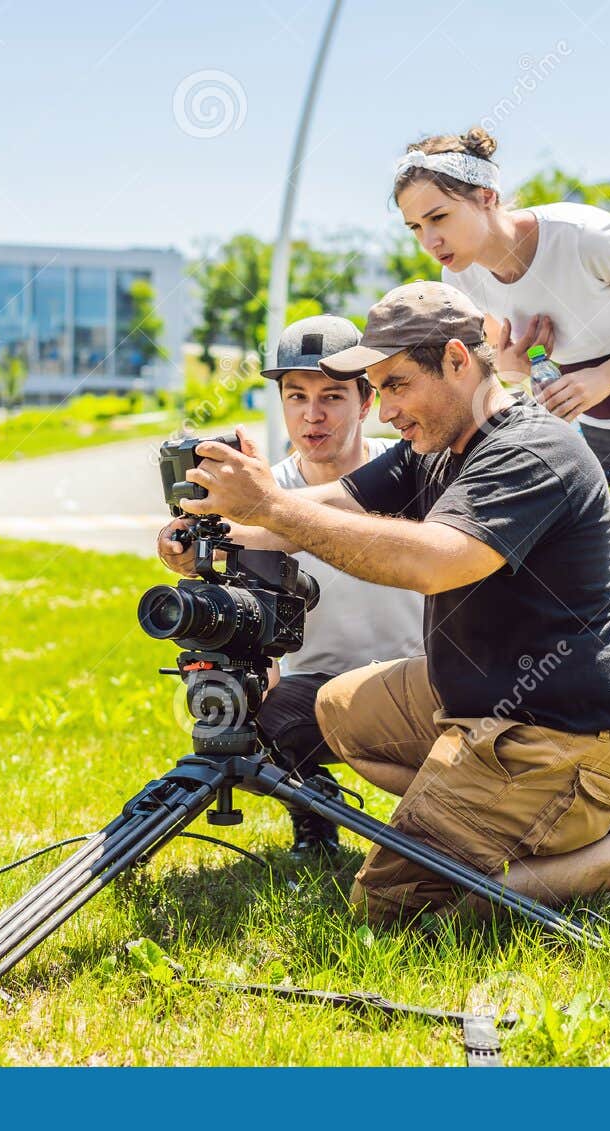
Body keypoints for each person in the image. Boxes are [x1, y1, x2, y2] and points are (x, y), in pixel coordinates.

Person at [157, 282, 610, 930]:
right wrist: (220, 527)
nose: (384, 411)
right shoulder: (435, 446)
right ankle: (463, 816)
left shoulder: (530, 450)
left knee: (396, 909)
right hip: (476, 699)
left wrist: (272, 505)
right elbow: (326, 510)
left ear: (455, 359)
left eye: (395, 385)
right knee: (333, 708)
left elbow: (435, 561)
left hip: (559, 735)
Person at [392, 128, 610, 811]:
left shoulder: (584, 237)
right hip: (603, 429)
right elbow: (507, 368)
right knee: (592, 614)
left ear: (487, 196)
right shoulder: (459, 281)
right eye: (413, 227)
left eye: (439, 216)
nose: (429, 239)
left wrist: (604, 374)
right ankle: (597, 797)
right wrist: (523, 364)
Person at [256, 315, 423, 859]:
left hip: (420, 682)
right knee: (242, 711)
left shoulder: (410, 471)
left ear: (366, 402)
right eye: (296, 396)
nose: (313, 414)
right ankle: (313, 806)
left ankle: (437, 816)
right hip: (321, 694)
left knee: (436, 835)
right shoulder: (267, 495)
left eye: (332, 396)